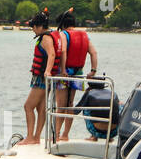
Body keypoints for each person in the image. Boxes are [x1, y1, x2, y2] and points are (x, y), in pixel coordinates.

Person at [56, 8, 98, 140]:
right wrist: (93, 70)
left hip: (65, 72)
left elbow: (63, 51)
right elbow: (94, 53)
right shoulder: (85, 35)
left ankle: (56, 134)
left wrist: (62, 70)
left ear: (63, 24)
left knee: (61, 105)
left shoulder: (64, 34)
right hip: (78, 73)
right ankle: (65, 134)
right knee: (70, 104)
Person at [19, 12, 56, 145]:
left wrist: (47, 71)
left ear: (40, 26)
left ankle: (30, 137)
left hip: (41, 78)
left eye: (34, 27)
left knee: (28, 106)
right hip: (43, 78)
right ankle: (36, 138)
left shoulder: (46, 38)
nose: (33, 30)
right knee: (40, 108)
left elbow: (51, 54)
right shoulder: (48, 36)